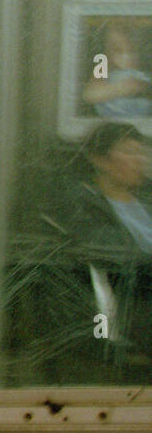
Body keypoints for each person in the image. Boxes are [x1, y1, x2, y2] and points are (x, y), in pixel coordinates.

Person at [40, 122, 152, 382]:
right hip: (133, 301)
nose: (140, 161)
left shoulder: (146, 198)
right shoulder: (83, 205)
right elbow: (111, 255)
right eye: (129, 152)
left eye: (142, 153)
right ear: (99, 159)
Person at [81, 22, 152, 120]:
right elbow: (89, 95)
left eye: (132, 49)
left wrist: (142, 86)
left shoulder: (146, 73)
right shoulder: (104, 67)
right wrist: (127, 87)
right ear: (108, 52)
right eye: (118, 50)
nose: (127, 56)